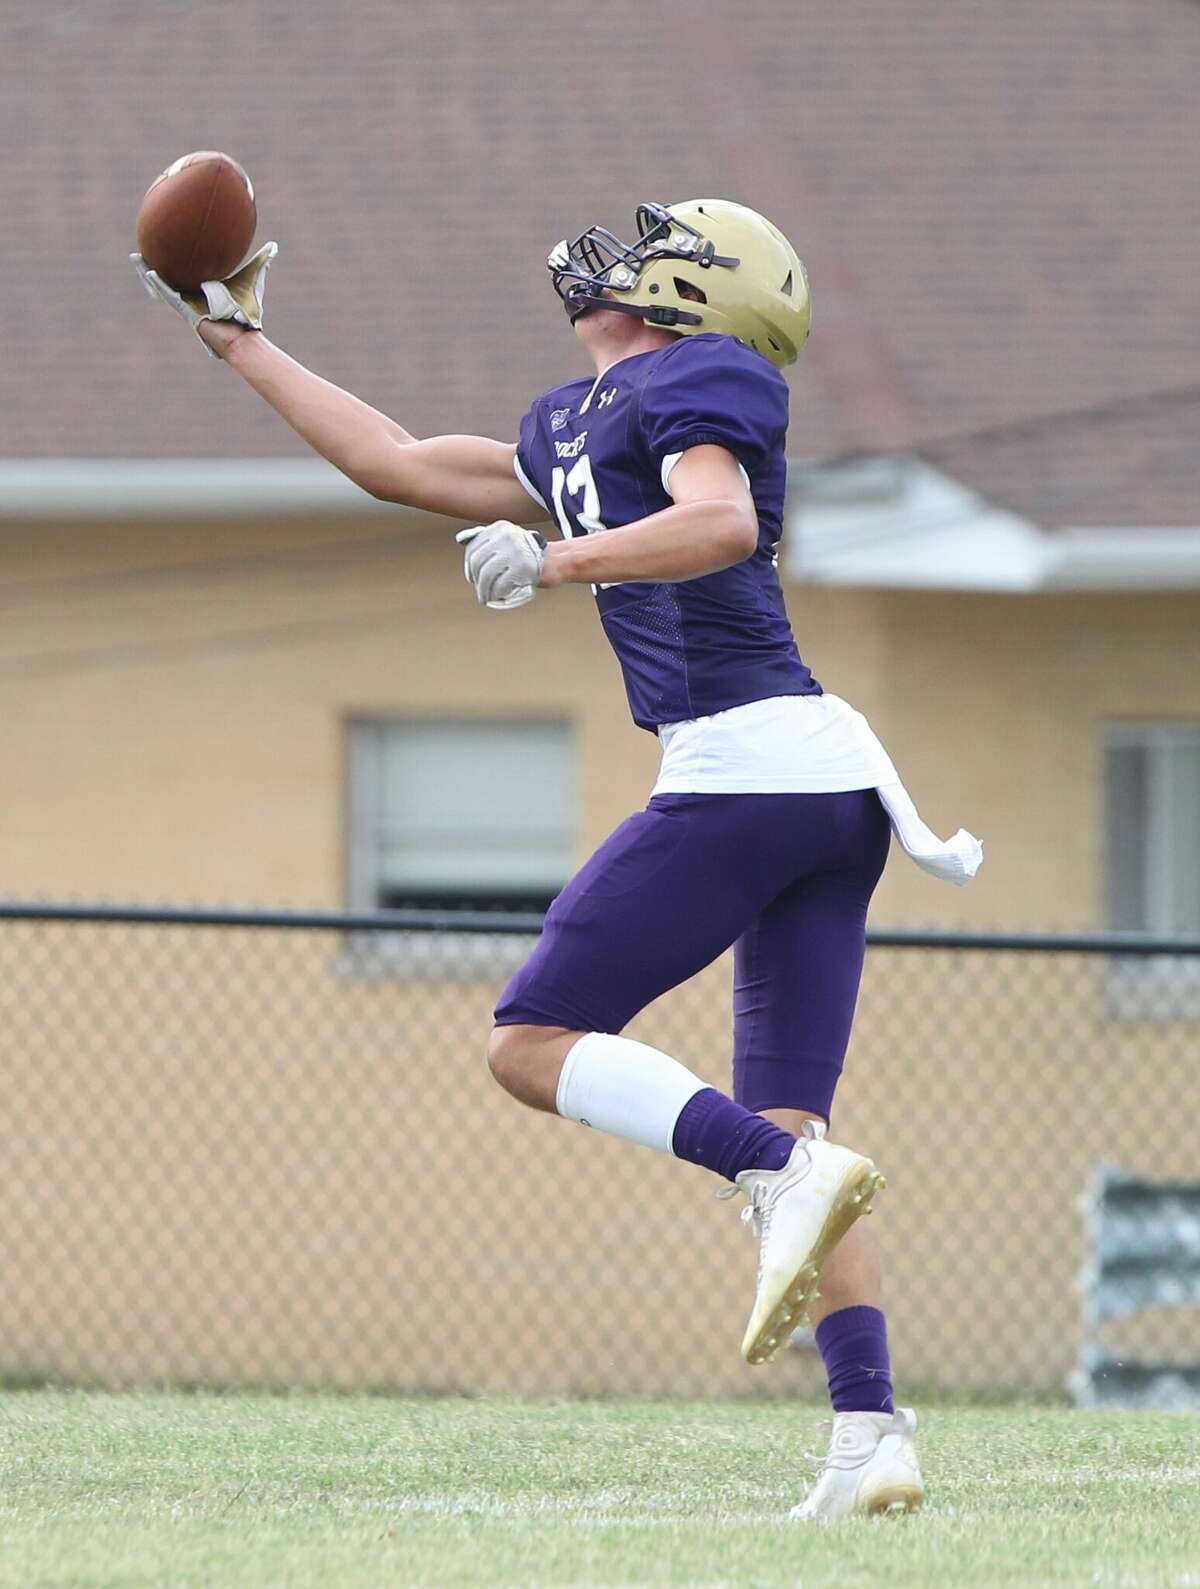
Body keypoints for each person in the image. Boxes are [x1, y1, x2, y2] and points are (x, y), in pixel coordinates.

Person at [133, 199, 981, 1519]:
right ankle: (871, 1433)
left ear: (704, 291)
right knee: (799, 1138)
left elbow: (718, 523)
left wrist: (553, 557)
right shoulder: (578, 421)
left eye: (659, 243)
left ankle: (779, 1183)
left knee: (532, 1038)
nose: (618, 252)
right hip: (824, 787)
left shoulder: (702, 376)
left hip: (749, 765)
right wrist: (238, 337)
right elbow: (401, 461)